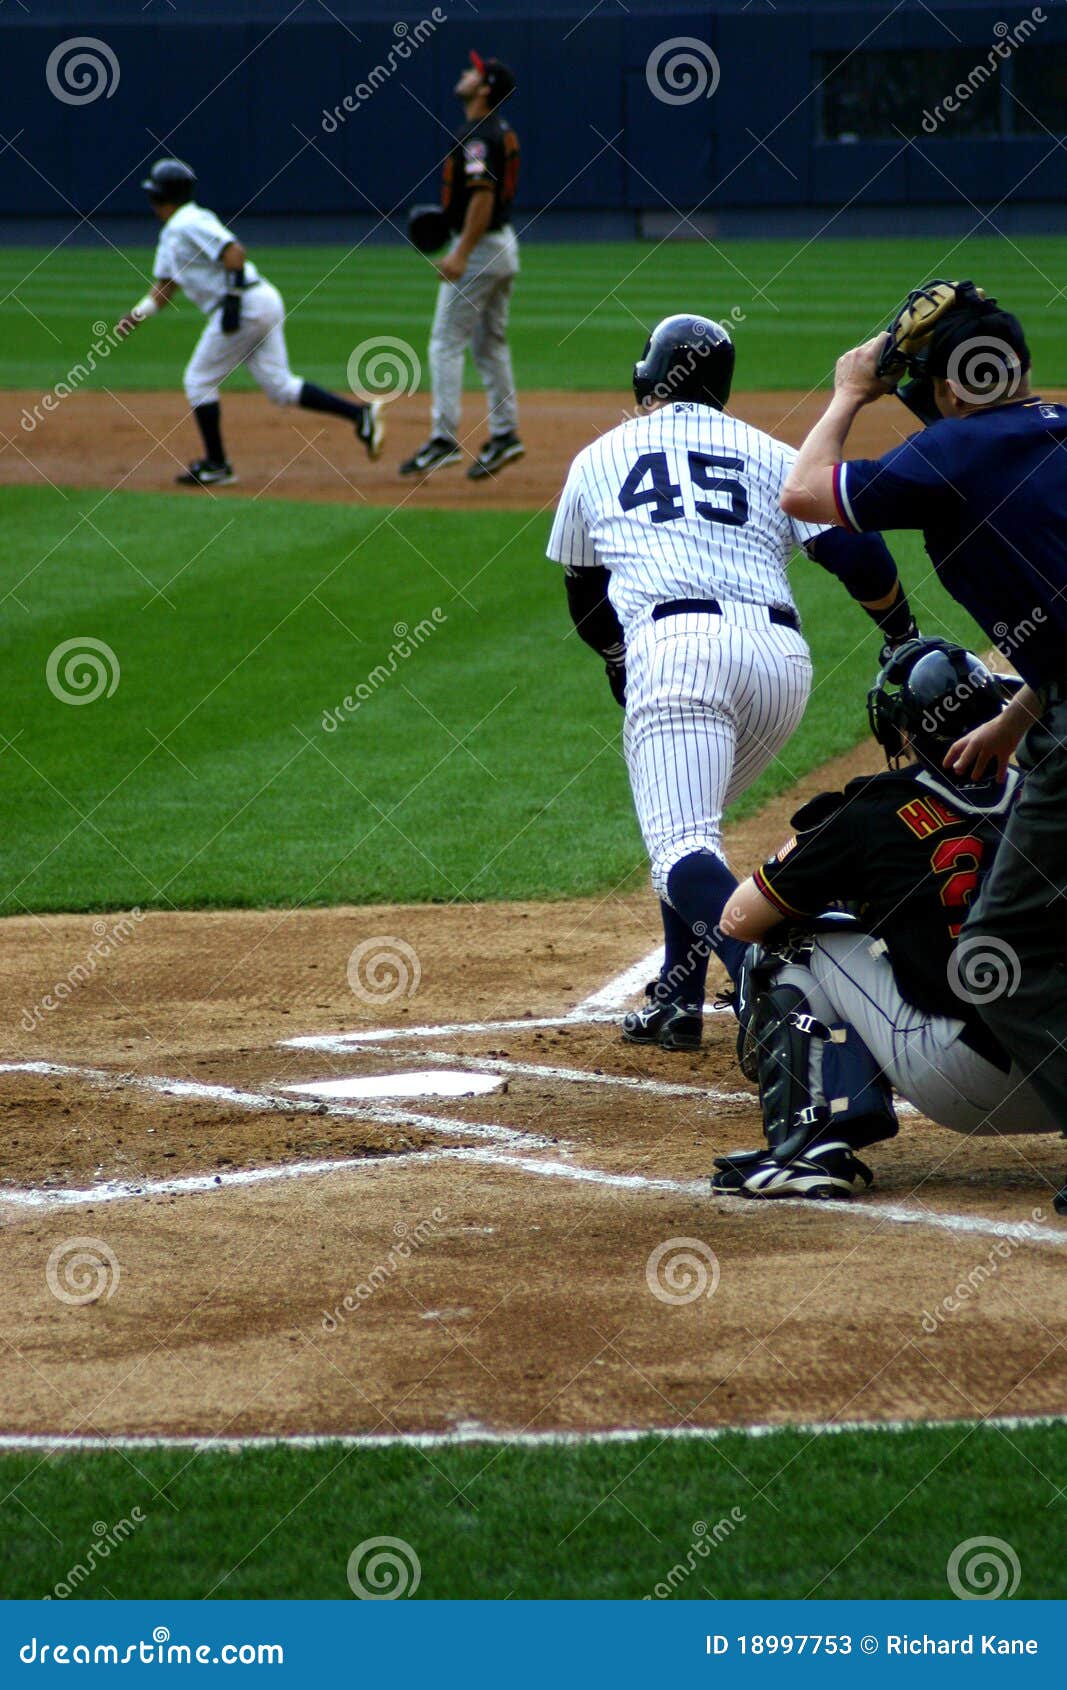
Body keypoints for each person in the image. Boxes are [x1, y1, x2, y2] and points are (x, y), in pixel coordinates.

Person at [546, 313, 914, 1046]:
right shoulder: (774, 452)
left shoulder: (597, 456)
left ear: (647, 376)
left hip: (678, 650)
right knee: (690, 831)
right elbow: (858, 557)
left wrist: (620, 662)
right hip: (781, 665)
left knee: (680, 842)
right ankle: (678, 1000)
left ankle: (771, 999)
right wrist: (899, 633)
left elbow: (585, 596)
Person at [779, 279, 1067, 1213]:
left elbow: (805, 493)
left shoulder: (953, 451)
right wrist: (1019, 715)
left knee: (1003, 947)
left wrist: (847, 394)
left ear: (944, 385)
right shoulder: (1053, 429)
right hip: (1054, 708)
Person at [714, 638, 1058, 1201]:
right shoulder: (1051, 796)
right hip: (1060, 1071)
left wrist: (868, 911)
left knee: (794, 940)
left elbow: (739, 917)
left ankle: (812, 1144)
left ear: (903, 731)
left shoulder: (870, 812)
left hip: (968, 1083)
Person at [115, 159, 383, 486]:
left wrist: (231, 300)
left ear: (161, 197)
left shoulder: (188, 222)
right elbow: (166, 288)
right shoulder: (174, 232)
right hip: (259, 301)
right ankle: (360, 416)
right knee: (280, 387)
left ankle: (217, 465)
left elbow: (234, 252)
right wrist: (135, 316)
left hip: (247, 305)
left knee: (199, 380)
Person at [399, 53, 522, 482]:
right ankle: (505, 433)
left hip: (481, 249)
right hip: (501, 248)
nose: (464, 73)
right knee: (490, 345)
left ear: (484, 89)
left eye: (473, 71)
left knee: (445, 342)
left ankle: (443, 439)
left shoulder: (479, 135)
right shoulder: (497, 131)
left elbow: (483, 197)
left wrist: (460, 252)